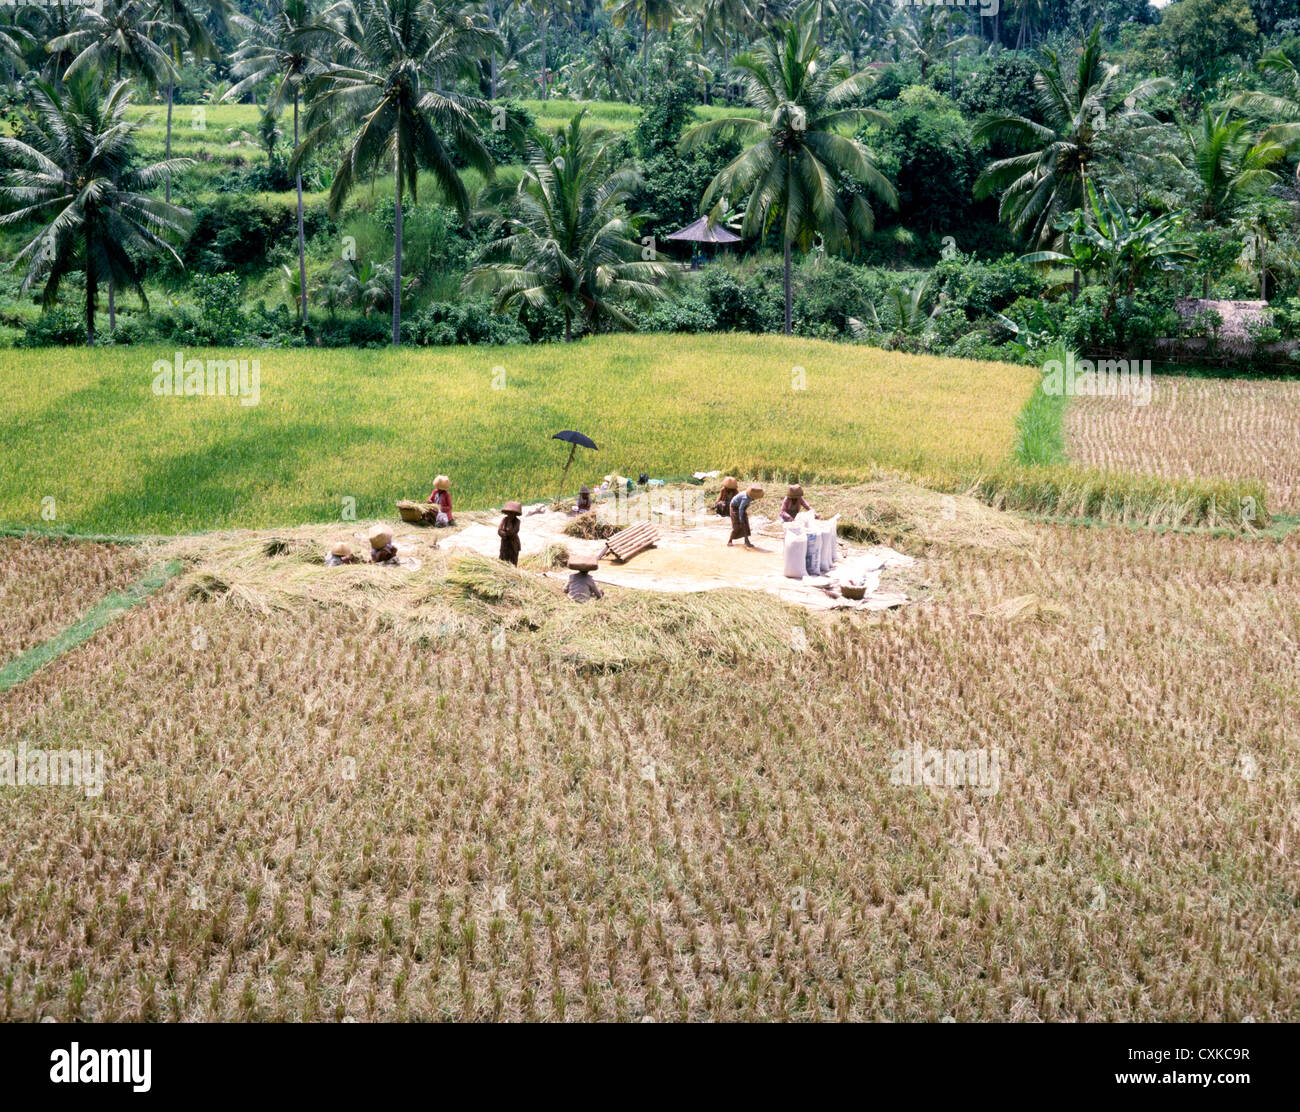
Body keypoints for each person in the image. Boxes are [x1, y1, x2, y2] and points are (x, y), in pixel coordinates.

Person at [728, 483, 763, 548]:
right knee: (737, 525)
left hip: (741, 508)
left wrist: (744, 513)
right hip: (734, 507)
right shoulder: (746, 497)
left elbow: (744, 507)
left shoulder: (751, 497)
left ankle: (746, 541)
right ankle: (730, 541)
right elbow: (740, 508)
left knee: (745, 524)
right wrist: (741, 518)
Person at [498, 501, 522, 565]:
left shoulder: (517, 521)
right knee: (503, 557)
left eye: (512, 513)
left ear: (515, 514)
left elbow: (515, 531)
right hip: (505, 542)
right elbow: (499, 530)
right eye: (509, 513)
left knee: (513, 558)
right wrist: (503, 533)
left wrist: (509, 530)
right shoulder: (504, 520)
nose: (510, 515)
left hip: (513, 543)